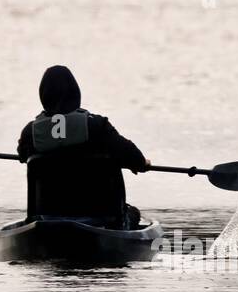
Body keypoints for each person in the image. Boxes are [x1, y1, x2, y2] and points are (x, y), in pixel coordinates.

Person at [16, 65, 150, 229]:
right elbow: (132, 156)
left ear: (43, 95)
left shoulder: (31, 132)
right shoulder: (98, 126)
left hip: (47, 218)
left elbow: (23, 156)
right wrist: (141, 164)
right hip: (102, 219)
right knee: (133, 214)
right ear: (75, 93)